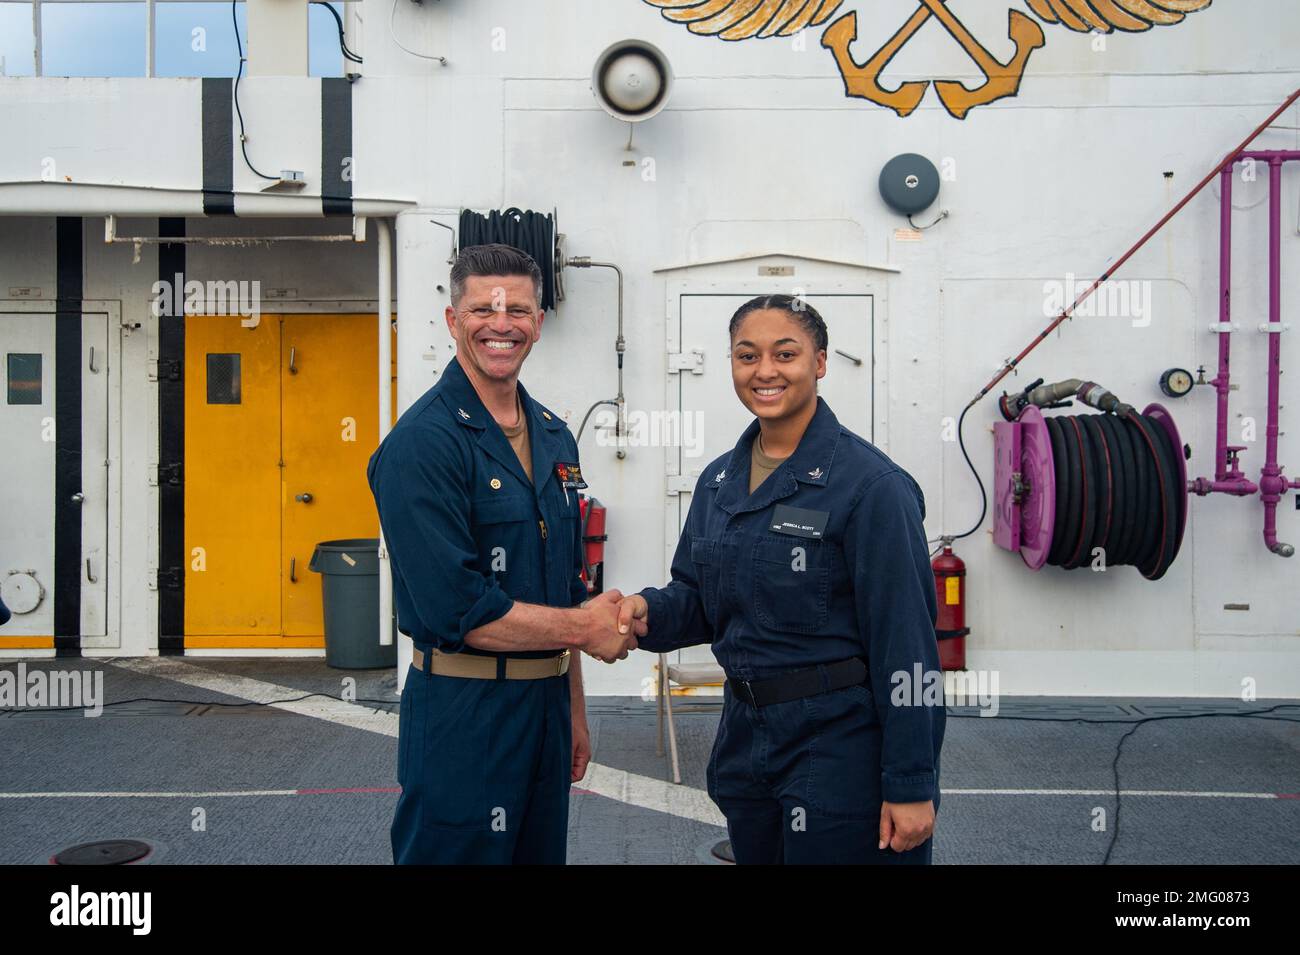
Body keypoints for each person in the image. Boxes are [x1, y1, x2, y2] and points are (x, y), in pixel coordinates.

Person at [617, 294, 945, 864]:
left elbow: (907, 645)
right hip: (746, 739)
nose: (764, 371)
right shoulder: (720, 480)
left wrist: (911, 783)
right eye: (747, 356)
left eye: (784, 353)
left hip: (838, 746)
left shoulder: (871, 487)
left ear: (819, 362)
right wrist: (643, 613)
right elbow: (698, 597)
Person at [368, 243, 639, 865]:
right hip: (465, 715)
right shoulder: (422, 445)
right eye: (482, 309)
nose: (501, 324)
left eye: (518, 309)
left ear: (538, 323)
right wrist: (589, 628)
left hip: (544, 711)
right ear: (452, 319)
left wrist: (573, 707)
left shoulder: (551, 432)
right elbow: (457, 609)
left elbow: (563, 583)